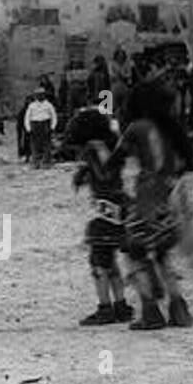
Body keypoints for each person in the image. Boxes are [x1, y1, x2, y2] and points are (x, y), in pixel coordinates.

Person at [108, 80, 193, 329]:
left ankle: (150, 310)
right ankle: (179, 307)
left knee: (134, 251)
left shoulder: (136, 128)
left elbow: (114, 161)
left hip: (149, 194)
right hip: (175, 196)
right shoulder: (171, 129)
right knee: (161, 253)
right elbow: (188, 164)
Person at [68, 108, 132, 325]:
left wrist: (86, 170)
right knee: (110, 260)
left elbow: (105, 173)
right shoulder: (113, 143)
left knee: (98, 261)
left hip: (105, 209)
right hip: (120, 204)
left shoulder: (94, 149)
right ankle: (121, 306)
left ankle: (105, 308)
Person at [23, 86, 58, 168]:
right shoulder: (32, 106)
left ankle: (46, 162)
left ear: (44, 95)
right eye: (38, 95)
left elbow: (54, 116)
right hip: (35, 125)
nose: (40, 97)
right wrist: (28, 128)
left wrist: (52, 127)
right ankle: (35, 162)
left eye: (41, 95)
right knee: (35, 144)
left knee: (46, 144)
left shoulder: (48, 105)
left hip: (45, 124)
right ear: (35, 96)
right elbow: (27, 117)